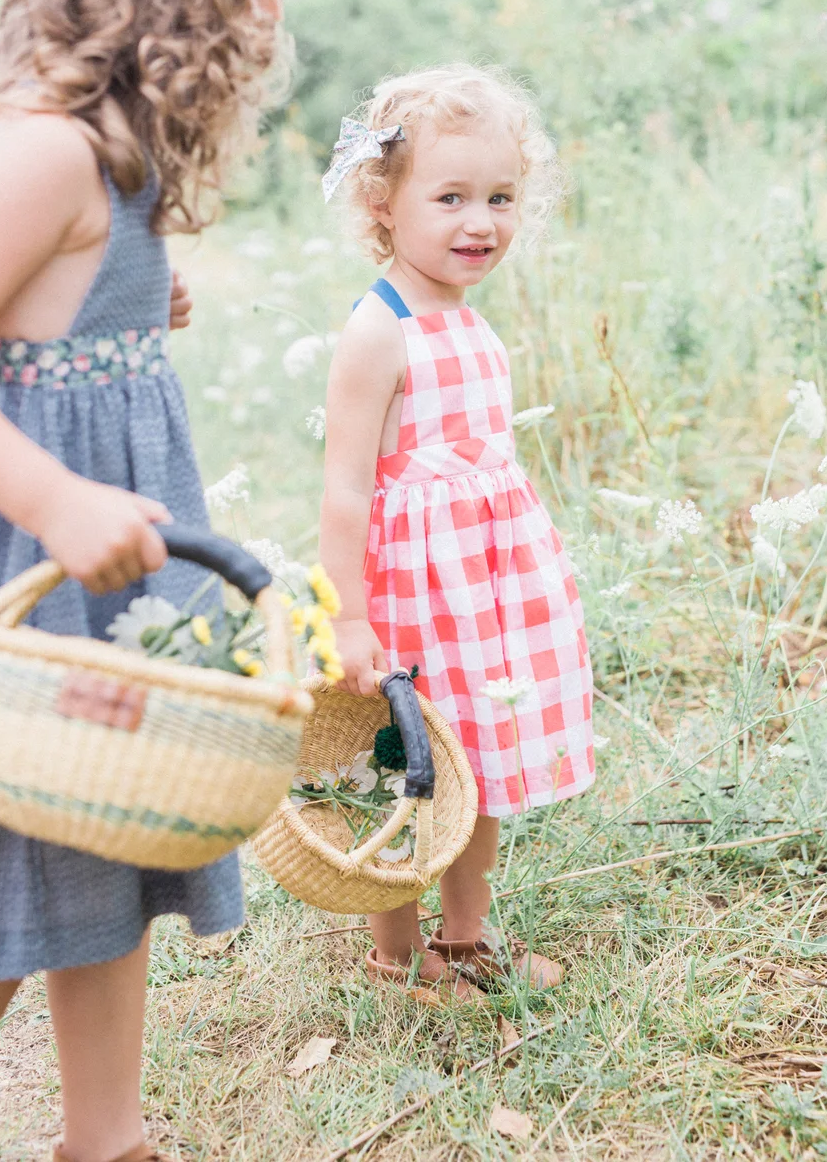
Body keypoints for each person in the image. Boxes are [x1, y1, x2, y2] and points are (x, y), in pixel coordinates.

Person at [0, 0, 287, 1161]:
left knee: (108, 819)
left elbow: (47, 305)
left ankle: (106, 1137)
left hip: (100, 540)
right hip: (19, 546)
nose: (243, 47)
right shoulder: (44, 150)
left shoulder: (113, 156)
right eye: (229, 8)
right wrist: (57, 499)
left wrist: (134, 304)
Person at [319, 65, 596, 1006]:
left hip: (485, 589)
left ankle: (467, 938)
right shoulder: (379, 329)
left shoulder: (470, 321)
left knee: (476, 762)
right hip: (413, 592)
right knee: (409, 766)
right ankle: (396, 956)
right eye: (451, 198)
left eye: (500, 198)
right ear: (383, 203)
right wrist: (348, 620)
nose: (481, 222)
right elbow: (345, 490)